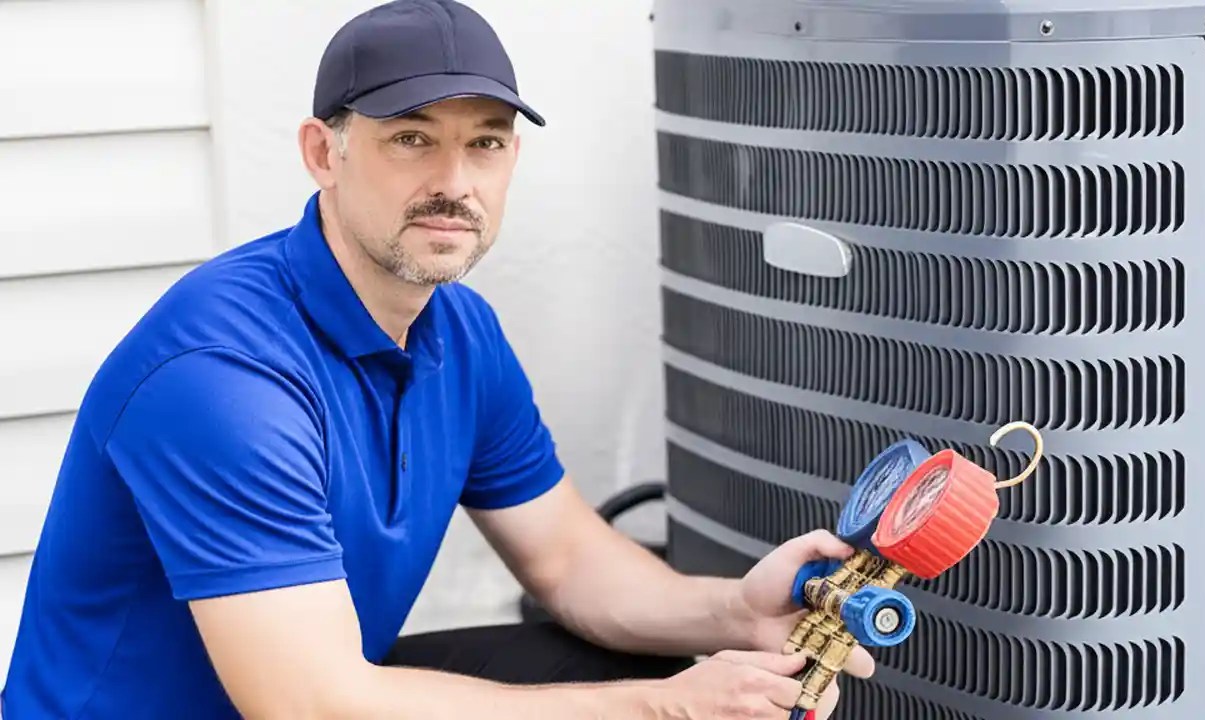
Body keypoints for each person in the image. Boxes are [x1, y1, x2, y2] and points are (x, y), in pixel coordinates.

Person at [0, 1, 874, 717]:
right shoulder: (221, 376)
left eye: (485, 142)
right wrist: (666, 705)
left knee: (591, 657)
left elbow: (567, 559)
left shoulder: (459, 332)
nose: (454, 180)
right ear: (324, 153)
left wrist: (733, 612)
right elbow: (311, 704)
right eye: (411, 138)